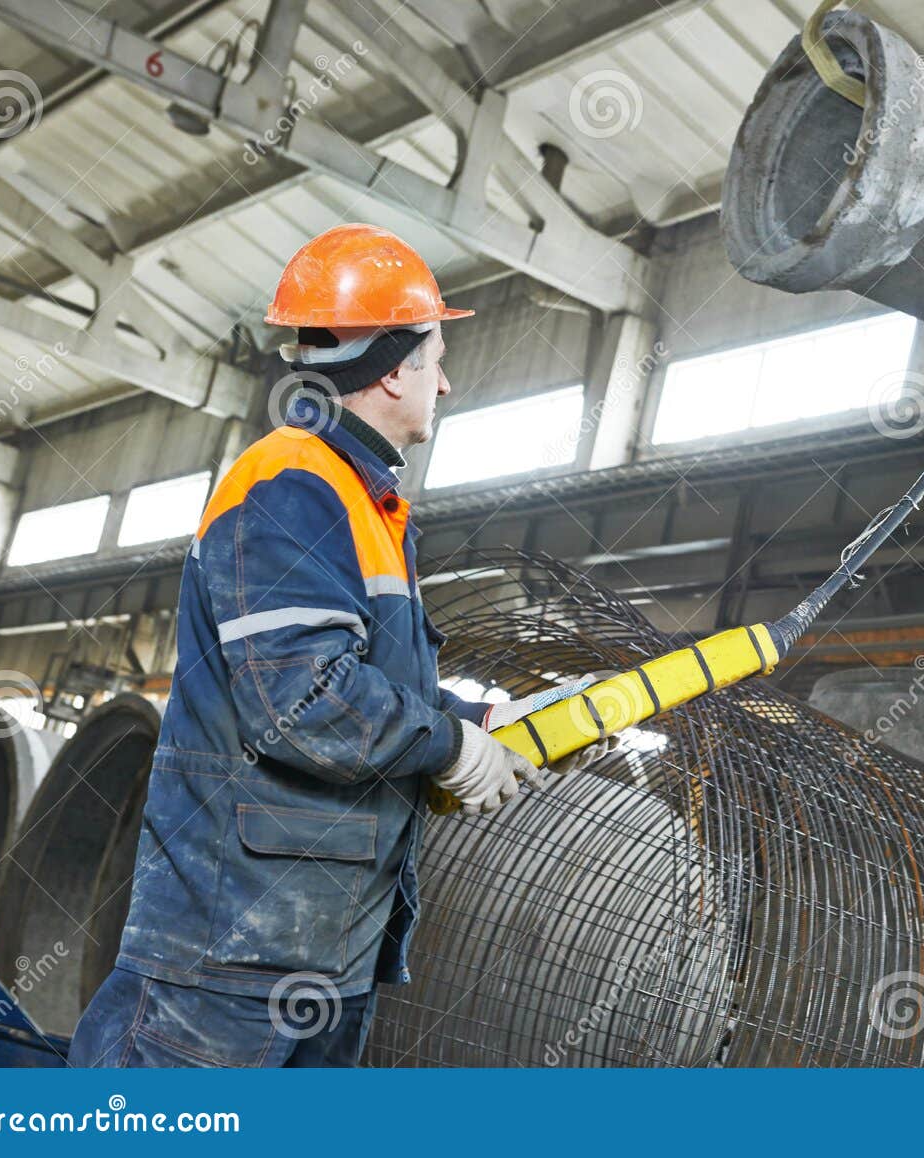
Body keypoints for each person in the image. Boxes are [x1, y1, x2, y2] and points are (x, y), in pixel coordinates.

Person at [69, 223, 610, 1067]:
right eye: (435, 359)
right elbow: (301, 702)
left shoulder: (363, 501)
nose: (449, 383)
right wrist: (445, 746)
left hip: (320, 959)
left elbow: (367, 679)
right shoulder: (291, 483)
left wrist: (488, 717)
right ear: (394, 369)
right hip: (228, 968)